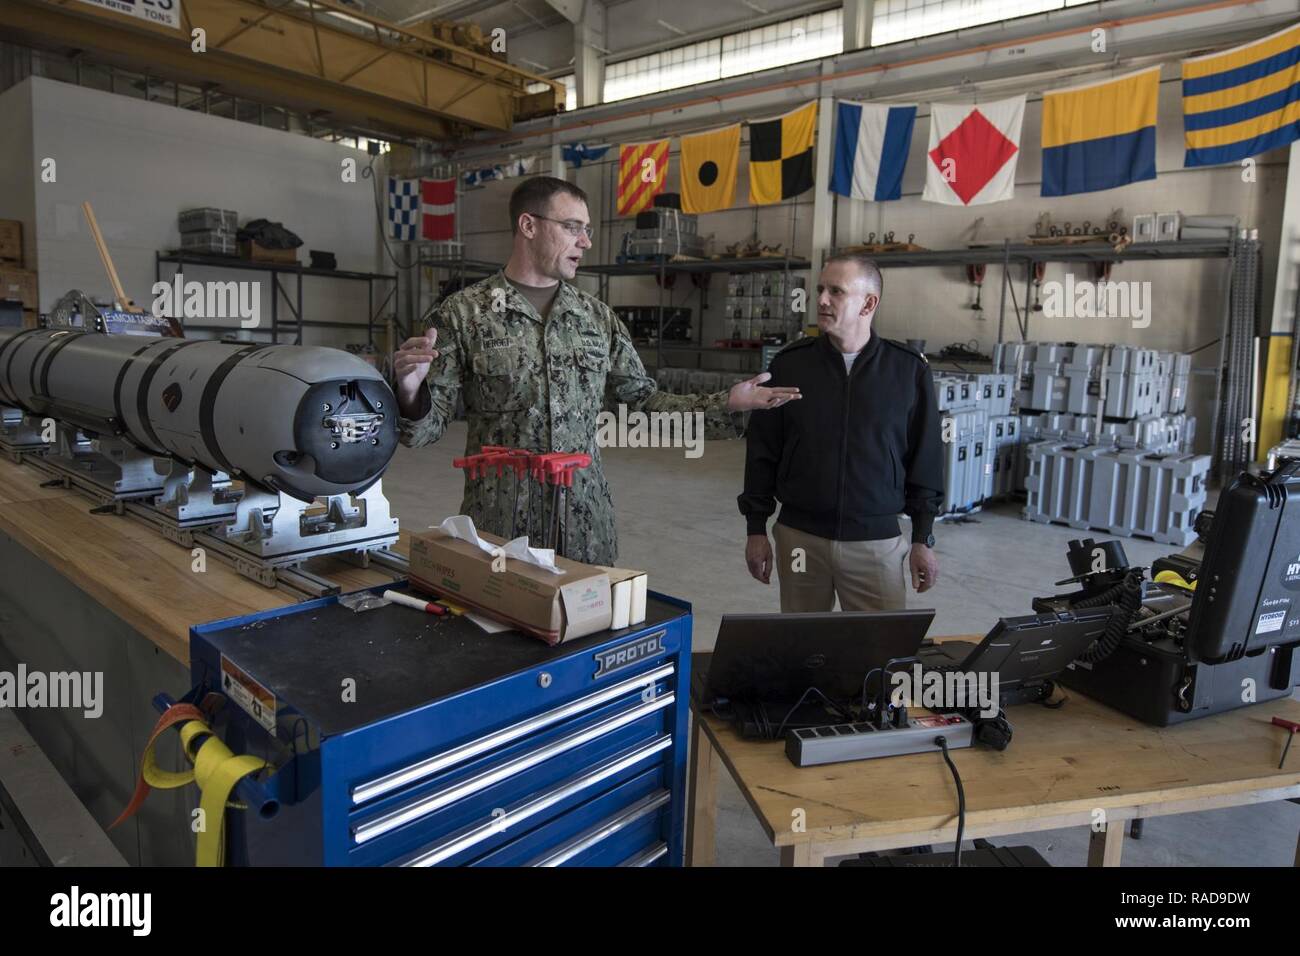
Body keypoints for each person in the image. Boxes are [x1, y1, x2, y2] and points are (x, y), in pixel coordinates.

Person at [391, 175, 801, 566]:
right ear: (528, 225)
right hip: (501, 523)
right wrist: (410, 392)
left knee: (588, 630)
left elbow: (643, 404)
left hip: (584, 525)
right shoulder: (463, 316)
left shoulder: (595, 318)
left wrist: (726, 403)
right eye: (572, 227)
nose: (585, 242)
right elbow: (426, 431)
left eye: (586, 229)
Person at [738, 253, 943, 611]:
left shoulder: (907, 371)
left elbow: (926, 458)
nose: (820, 300)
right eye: (820, 289)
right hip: (799, 539)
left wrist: (923, 537)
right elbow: (762, 452)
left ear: (869, 303)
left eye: (836, 291)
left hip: (876, 542)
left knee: (878, 654)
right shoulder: (790, 364)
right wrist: (756, 528)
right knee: (803, 651)